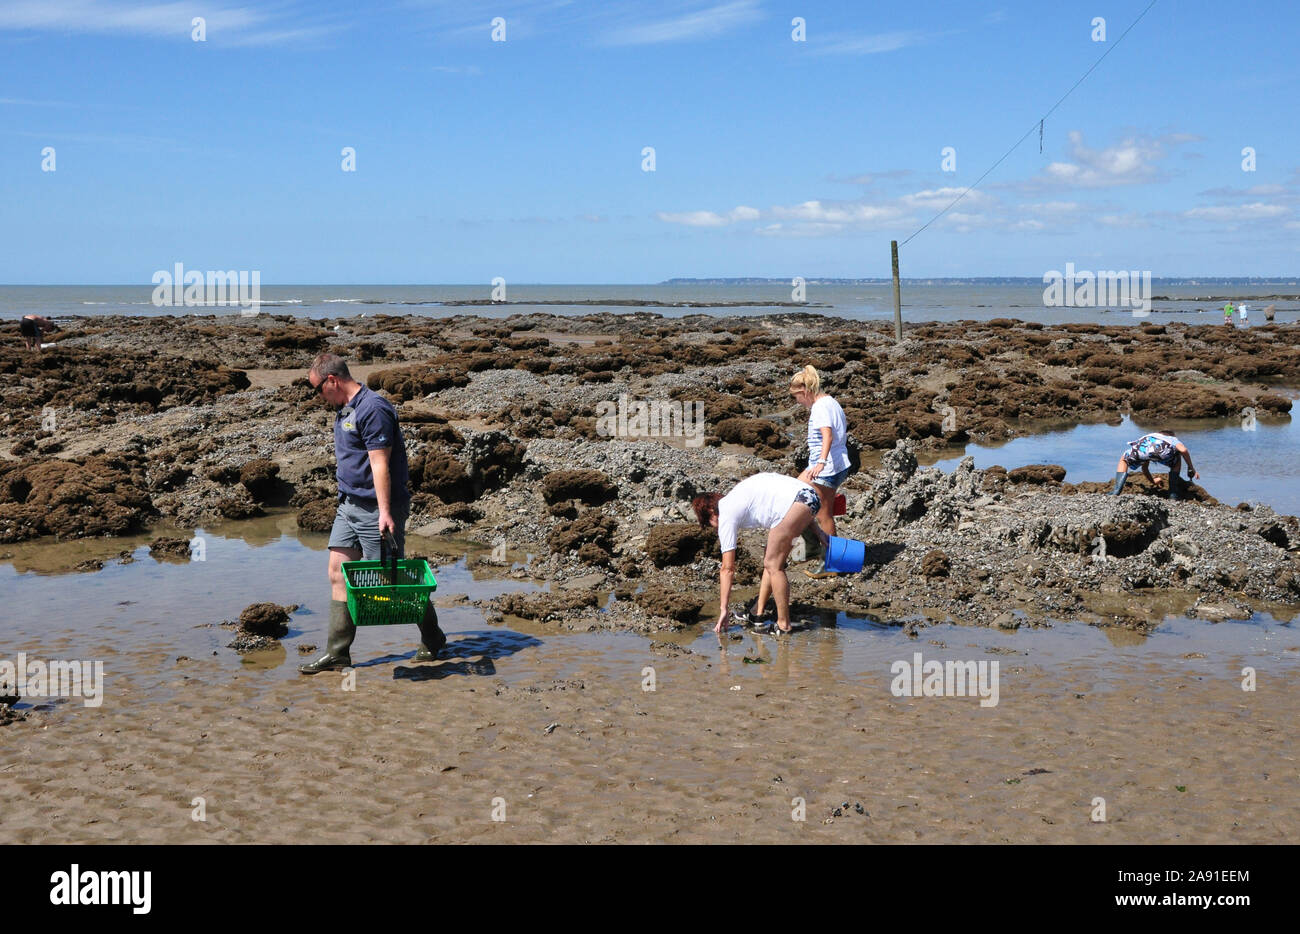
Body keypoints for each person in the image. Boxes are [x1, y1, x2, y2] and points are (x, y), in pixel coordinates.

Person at [299, 353, 445, 674]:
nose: (317, 396)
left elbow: (380, 464)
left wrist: (384, 513)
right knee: (337, 572)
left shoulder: (374, 409)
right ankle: (337, 652)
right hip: (348, 506)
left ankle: (433, 638)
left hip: (377, 508)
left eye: (317, 389)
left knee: (391, 582)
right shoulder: (344, 409)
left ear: (332, 381)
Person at [692, 472, 829, 636]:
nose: (713, 527)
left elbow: (727, 569)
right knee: (770, 557)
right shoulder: (736, 496)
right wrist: (818, 531)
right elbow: (802, 499)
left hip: (796, 504)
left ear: (710, 511)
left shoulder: (726, 513)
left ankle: (783, 625)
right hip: (810, 497)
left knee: (774, 566)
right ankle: (757, 613)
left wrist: (723, 609)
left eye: (709, 523)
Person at [789, 365, 851, 539]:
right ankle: (814, 544)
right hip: (835, 464)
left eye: (797, 397)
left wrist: (821, 462)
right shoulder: (831, 401)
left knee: (824, 515)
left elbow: (828, 436)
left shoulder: (820, 407)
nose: (798, 402)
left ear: (805, 390)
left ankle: (833, 560)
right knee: (794, 494)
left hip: (827, 468)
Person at [1111, 430, 1200, 500]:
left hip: (1142, 449)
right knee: (1177, 459)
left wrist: (1153, 481)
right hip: (1163, 451)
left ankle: (1116, 490)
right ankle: (1173, 495)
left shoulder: (1150, 436)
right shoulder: (1172, 439)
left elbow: (1144, 469)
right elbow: (1183, 450)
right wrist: (1191, 468)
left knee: (1124, 460)